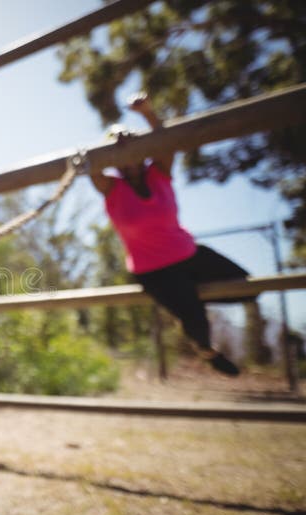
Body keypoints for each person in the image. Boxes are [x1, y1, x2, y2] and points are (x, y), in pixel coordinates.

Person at [88, 91, 253, 377]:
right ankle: (207, 351)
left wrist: (148, 113)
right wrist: (112, 142)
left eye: (134, 150)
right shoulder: (112, 188)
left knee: (249, 287)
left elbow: (166, 141)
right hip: (153, 269)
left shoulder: (159, 172)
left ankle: (187, 299)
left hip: (188, 253)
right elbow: (91, 167)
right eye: (121, 154)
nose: (129, 159)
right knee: (196, 322)